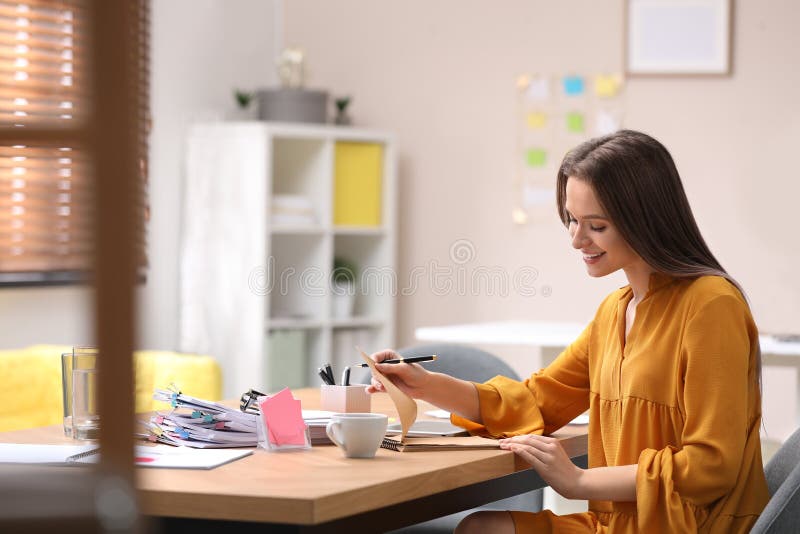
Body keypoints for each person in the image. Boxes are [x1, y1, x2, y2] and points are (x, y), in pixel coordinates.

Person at [367, 130, 769, 533]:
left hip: (688, 526)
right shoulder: (615, 311)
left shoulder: (712, 305)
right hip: (616, 523)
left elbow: (712, 466)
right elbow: (537, 401)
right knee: (480, 527)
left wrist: (577, 481)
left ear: (645, 219)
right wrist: (426, 384)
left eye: (596, 225)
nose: (577, 240)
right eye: (572, 221)